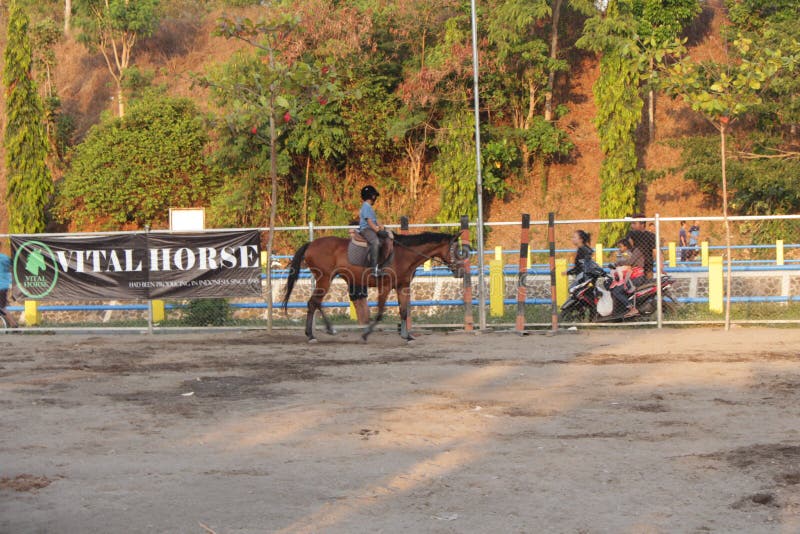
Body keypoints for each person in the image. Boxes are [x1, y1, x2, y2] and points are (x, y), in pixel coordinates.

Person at [611, 237, 645, 318]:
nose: (629, 242)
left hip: (637, 277)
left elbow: (629, 262)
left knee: (616, 291)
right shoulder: (632, 251)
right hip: (633, 276)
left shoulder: (637, 250)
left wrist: (617, 264)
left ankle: (632, 309)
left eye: (630, 239)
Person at [359, 185, 386, 277]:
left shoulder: (369, 207)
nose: (375, 198)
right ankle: (373, 268)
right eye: (375, 196)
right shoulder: (366, 207)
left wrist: (381, 226)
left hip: (371, 228)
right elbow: (369, 221)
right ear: (372, 196)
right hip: (366, 229)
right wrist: (376, 229)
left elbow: (374, 219)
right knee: (376, 242)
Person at [626, 214, 656, 278]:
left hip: (647, 265)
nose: (632, 225)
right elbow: (628, 249)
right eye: (632, 223)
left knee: (649, 284)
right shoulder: (631, 234)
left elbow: (654, 251)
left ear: (642, 224)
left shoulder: (651, 235)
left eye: (634, 223)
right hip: (636, 266)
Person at [0, 241, 13, 324]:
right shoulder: (6, 258)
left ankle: (14, 325)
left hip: (1, 286)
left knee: (2, 308)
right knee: (3, 307)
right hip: (4, 285)